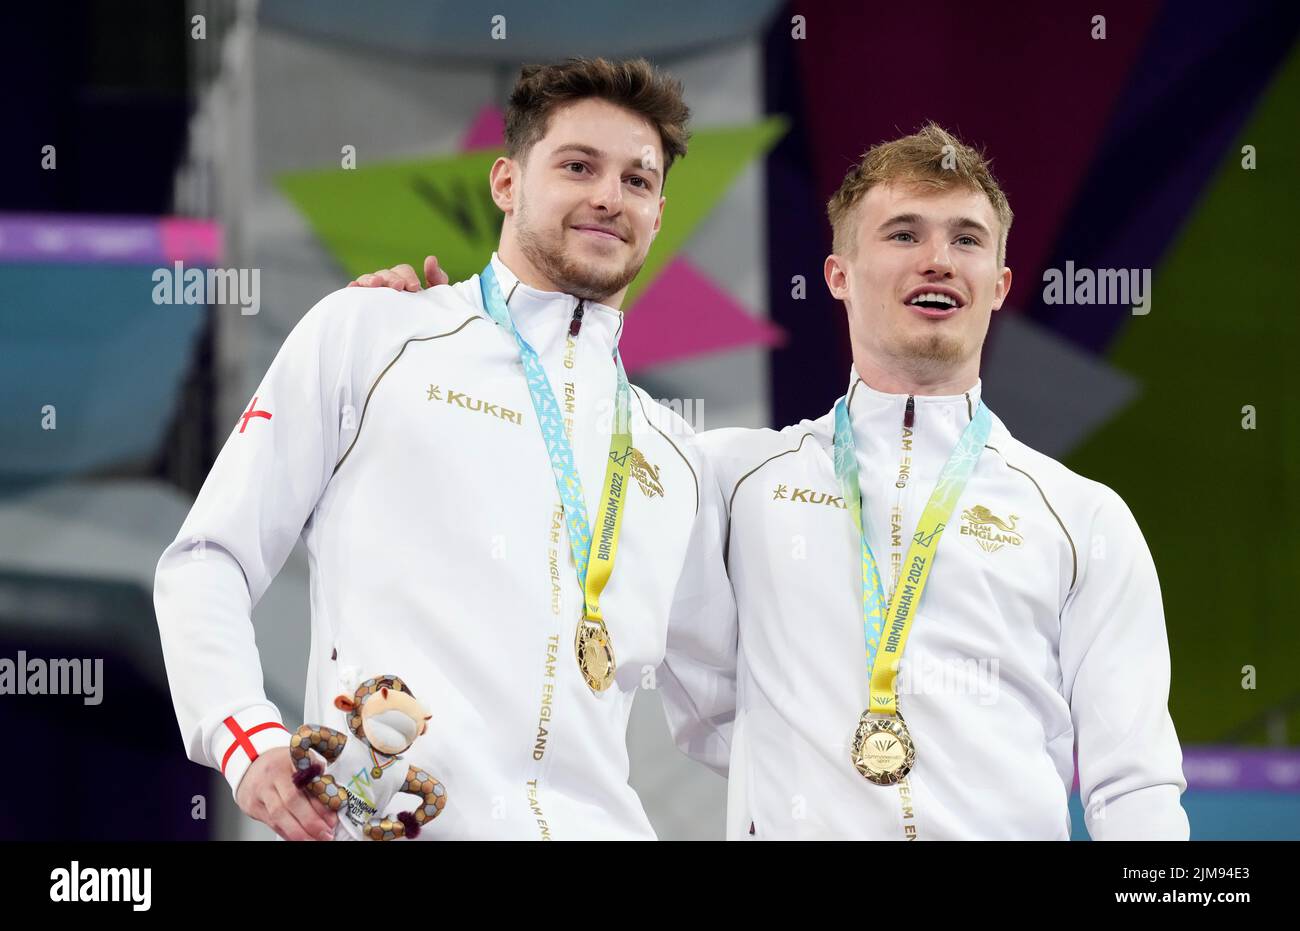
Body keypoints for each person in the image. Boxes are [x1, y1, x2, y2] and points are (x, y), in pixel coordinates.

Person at [353, 122, 1190, 840]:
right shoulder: (725, 478)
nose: (938, 259)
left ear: (1000, 284)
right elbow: (546, 467)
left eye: (966, 239)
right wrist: (455, 347)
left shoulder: (1083, 519)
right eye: (903, 233)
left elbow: (1135, 785)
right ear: (837, 274)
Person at [153, 57, 736, 842]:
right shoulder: (374, 334)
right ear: (505, 182)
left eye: (637, 181)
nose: (608, 195)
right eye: (577, 166)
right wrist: (244, 736)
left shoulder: (674, 454)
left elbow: (728, 713)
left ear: (659, 215)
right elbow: (206, 557)